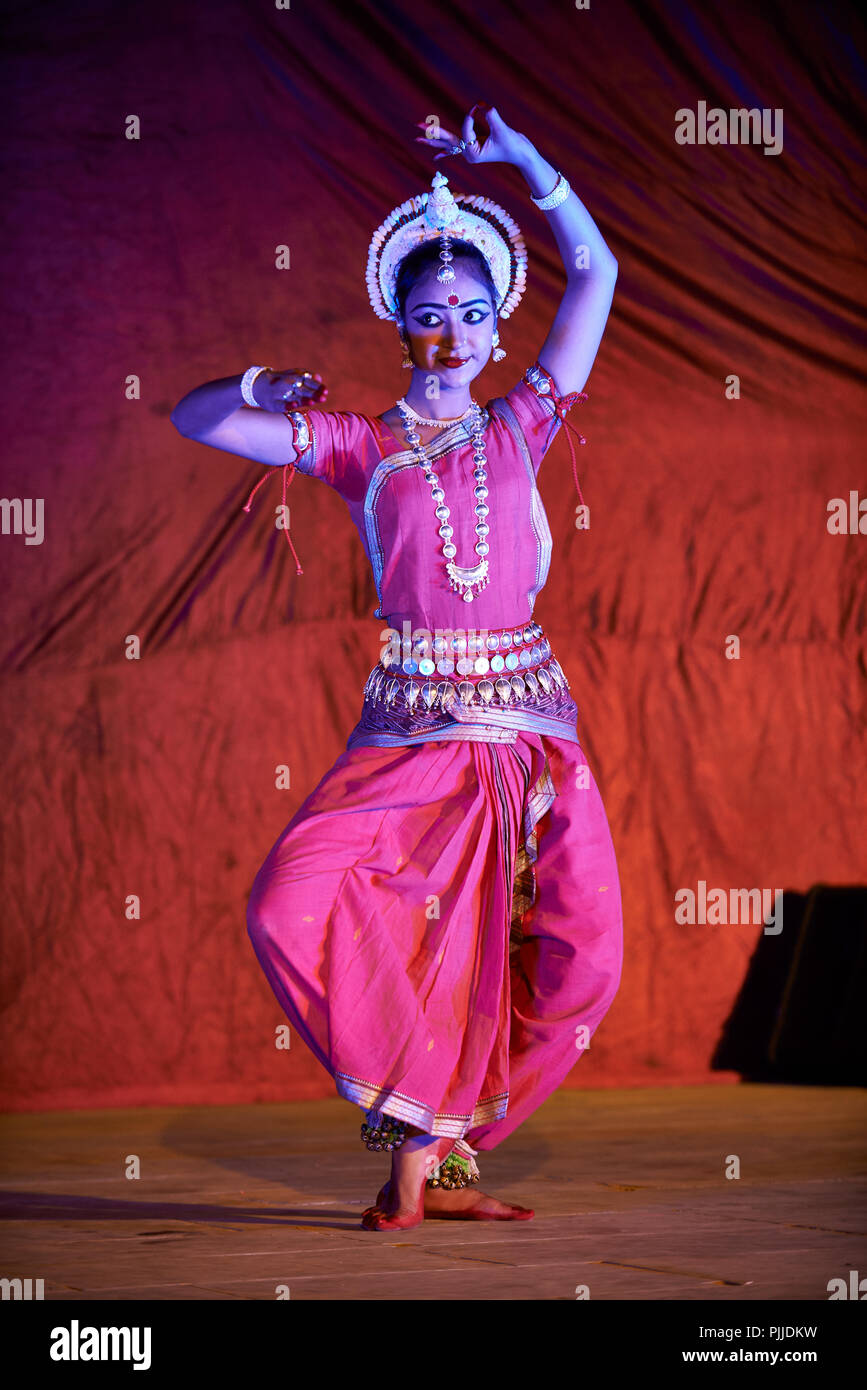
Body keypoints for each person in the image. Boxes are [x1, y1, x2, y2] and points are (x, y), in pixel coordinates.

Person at [171, 103, 623, 1232]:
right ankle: (413, 1137)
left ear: (496, 324)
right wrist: (263, 386)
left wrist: (525, 163)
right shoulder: (358, 448)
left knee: (556, 961)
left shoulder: (523, 421)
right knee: (291, 905)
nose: (458, 333)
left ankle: (442, 1170)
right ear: (401, 324)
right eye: (432, 315)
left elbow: (597, 271)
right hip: (408, 735)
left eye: (476, 313)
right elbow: (196, 418)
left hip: (526, 735)